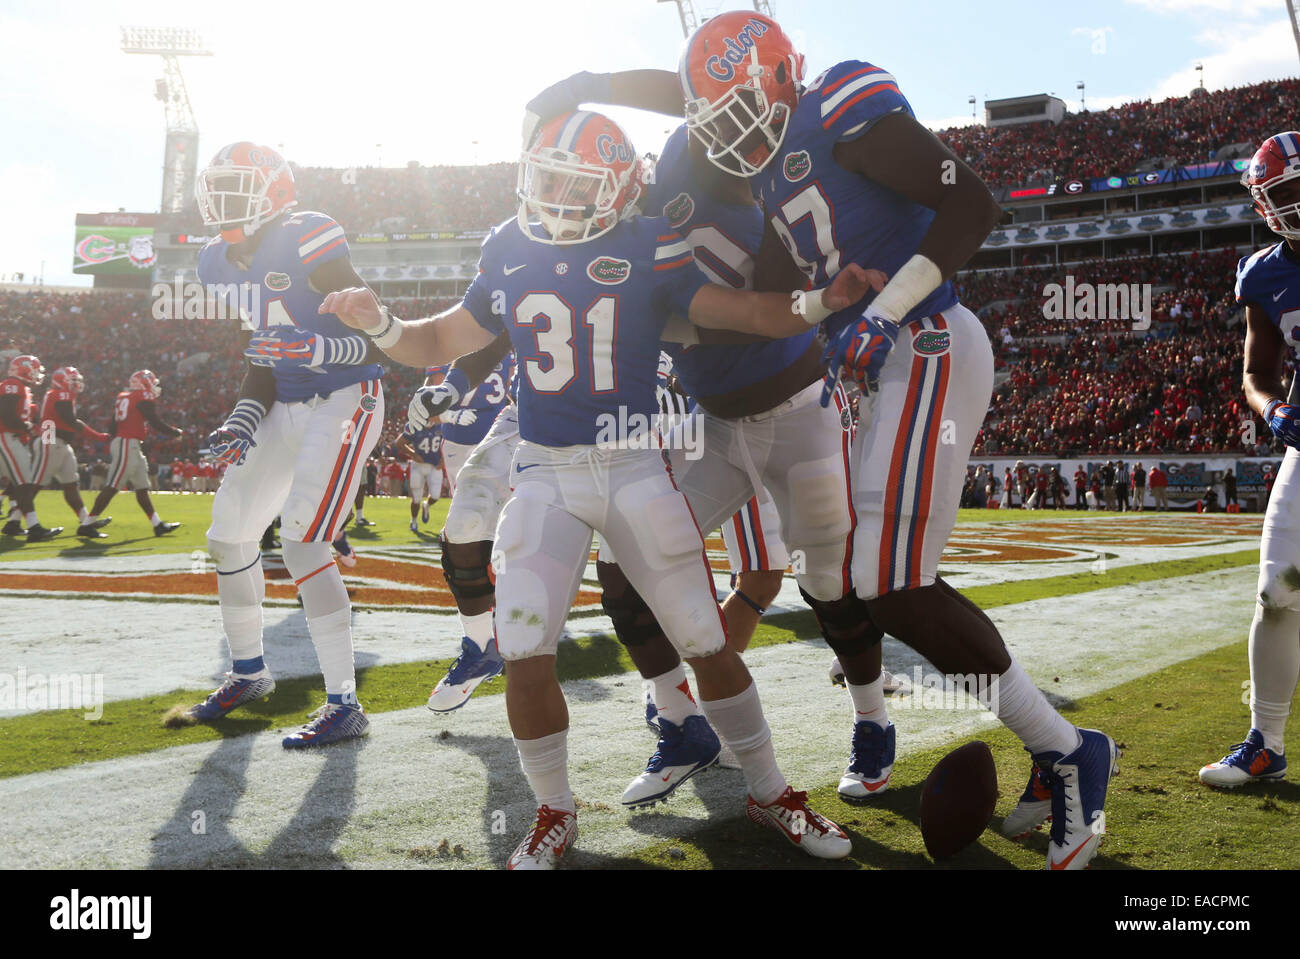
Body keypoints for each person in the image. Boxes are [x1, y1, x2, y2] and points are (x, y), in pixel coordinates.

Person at [576, 12, 1116, 869]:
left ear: (787, 75)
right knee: (880, 580)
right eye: (714, 120)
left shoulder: (839, 105)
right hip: (878, 365)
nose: (731, 133)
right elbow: (793, 286)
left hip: (928, 339)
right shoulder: (763, 180)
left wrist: (883, 311)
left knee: (885, 582)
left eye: (740, 108)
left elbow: (970, 201)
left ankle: (1068, 752)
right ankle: (1059, 752)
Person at [324, 110, 873, 868]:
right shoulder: (510, 245)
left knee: (704, 637)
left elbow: (737, 311)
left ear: (616, 191)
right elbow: (443, 337)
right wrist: (380, 321)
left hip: (634, 463)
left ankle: (771, 788)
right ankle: (554, 809)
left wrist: (819, 303)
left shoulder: (649, 242)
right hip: (544, 472)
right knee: (523, 647)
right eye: (545, 178)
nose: (551, 197)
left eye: (571, 185)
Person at [183, 141, 386, 749]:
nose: (220, 199)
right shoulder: (215, 262)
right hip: (287, 402)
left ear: (272, 189)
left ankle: (344, 702)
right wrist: (245, 417)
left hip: (347, 396)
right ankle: (248, 672)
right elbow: (264, 357)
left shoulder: (307, 235)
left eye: (234, 185)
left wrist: (319, 349)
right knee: (229, 532)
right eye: (214, 186)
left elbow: (378, 342)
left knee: (303, 540)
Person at [1200, 131, 1300, 787]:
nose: (1294, 203)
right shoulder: (1264, 272)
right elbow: (1256, 372)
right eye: (1283, 194)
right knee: (1278, 592)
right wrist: (1274, 411)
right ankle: (1265, 740)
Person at [83, 370, 182, 536]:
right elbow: (153, 420)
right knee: (112, 486)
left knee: (142, 488)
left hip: (130, 443)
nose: (154, 387)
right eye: (152, 382)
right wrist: (174, 432)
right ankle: (87, 525)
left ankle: (157, 524)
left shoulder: (125, 397)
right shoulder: (140, 397)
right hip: (127, 444)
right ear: (144, 383)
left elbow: (113, 425)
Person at [38, 366, 113, 537]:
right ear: (61, 380)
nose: (76, 384)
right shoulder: (60, 394)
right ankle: (20, 520)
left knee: (71, 484)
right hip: (52, 440)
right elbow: (71, 421)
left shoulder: (58, 394)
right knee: (36, 483)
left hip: (59, 442)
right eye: (73, 380)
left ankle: (86, 521)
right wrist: (97, 436)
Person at [0, 354, 63, 541]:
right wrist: (27, 427)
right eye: (34, 370)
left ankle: (13, 524)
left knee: (21, 481)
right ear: (24, 369)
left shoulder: (21, 388)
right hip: (6, 437)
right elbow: (6, 414)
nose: (37, 375)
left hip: (14, 438)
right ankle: (34, 527)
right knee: (24, 483)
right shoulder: (13, 385)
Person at [396, 417, 442, 533]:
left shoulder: (442, 425)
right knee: (416, 498)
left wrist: (444, 460)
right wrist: (413, 454)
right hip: (418, 465)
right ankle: (414, 520)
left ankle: (426, 505)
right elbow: (399, 443)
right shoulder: (414, 425)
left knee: (436, 496)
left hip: (434, 465)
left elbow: (450, 443)